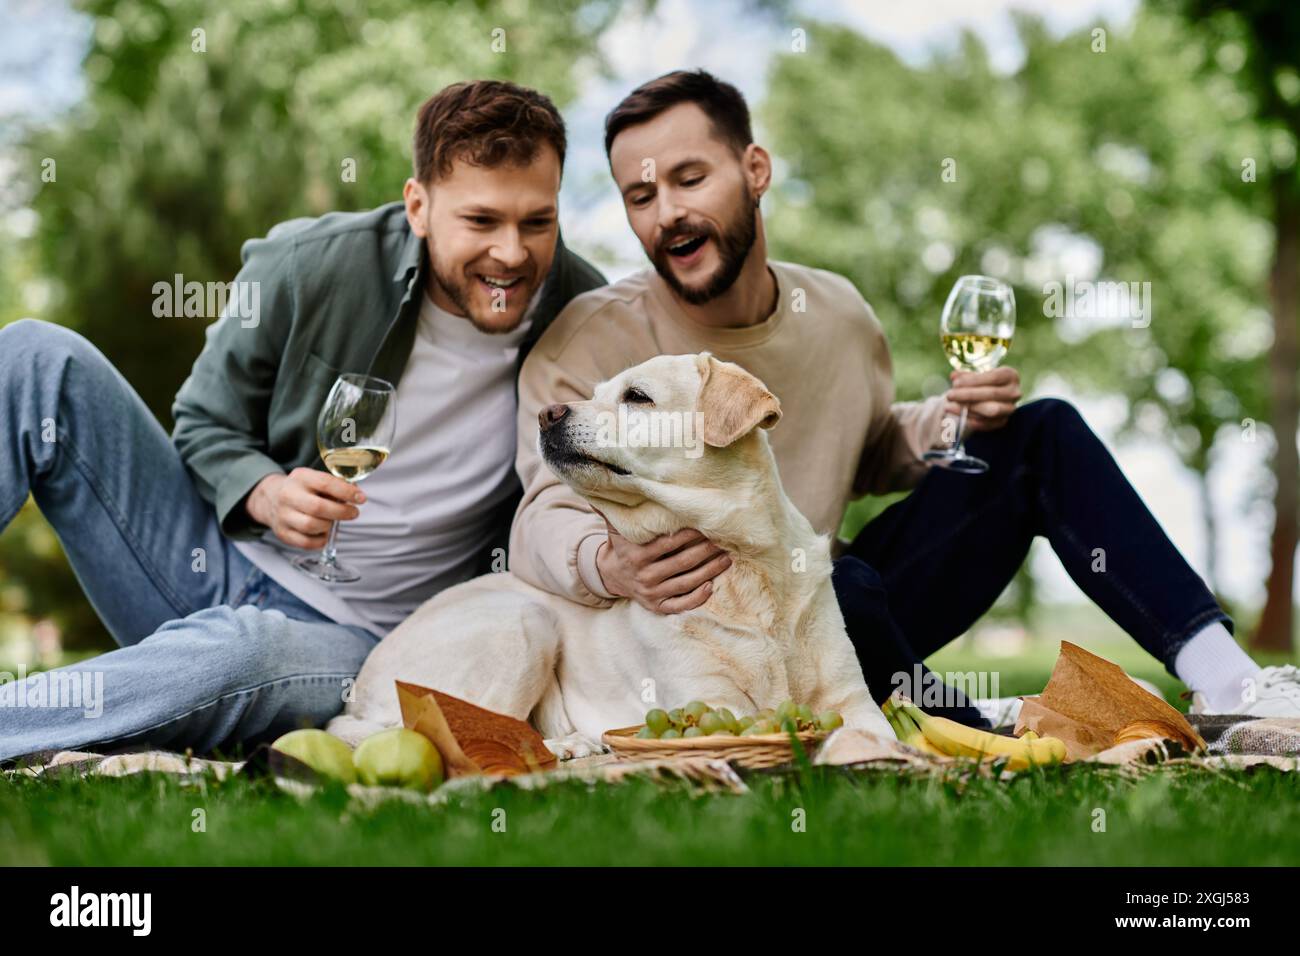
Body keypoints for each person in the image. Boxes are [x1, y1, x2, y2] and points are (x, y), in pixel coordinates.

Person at [507, 69, 1300, 728]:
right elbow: (540, 514)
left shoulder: (839, 314)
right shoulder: (590, 344)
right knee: (844, 588)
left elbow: (876, 445)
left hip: (829, 602)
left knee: (1040, 433)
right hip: (692, 636)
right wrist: (610, 564)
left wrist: (952, 423)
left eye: (689, 178)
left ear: (754, 170)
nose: (668, 211)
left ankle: (1231, 686)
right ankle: (978, 731)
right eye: (639, 197)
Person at [0, 80, 605, 765]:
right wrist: (263, 491)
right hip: (204, 562)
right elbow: (202, 422)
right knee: (37, 356)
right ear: (419, 206)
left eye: (537, 221)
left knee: (241, 650)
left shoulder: (585, 317)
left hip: (358, 640)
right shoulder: (310, 265)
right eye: (481, 221)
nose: (512, 253)